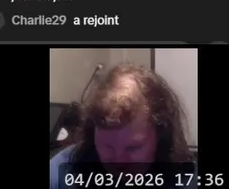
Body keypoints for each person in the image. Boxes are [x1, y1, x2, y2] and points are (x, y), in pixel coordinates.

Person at [50, 63, 194, 189]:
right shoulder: (62, 171)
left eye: (134, 147)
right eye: (107, 146)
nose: (119, 160)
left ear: (160, 136)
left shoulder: (186, 179)